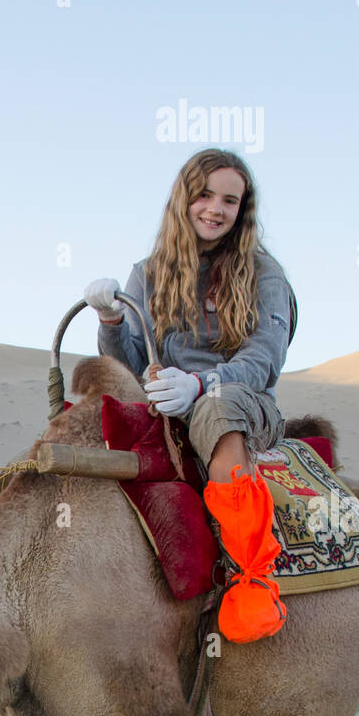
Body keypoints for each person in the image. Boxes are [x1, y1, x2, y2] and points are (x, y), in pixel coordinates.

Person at [85, 148, 295, 642]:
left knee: (215, 413)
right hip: (163, 400)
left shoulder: (266, 275)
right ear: (184, 198)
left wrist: (201, 384)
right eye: (205, 195)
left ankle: (253, 578)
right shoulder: (149, 272)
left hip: (241, 402)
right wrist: (111, 319)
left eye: (229, 200)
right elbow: (129, 363)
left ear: (242, 210)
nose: (215, 209)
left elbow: (264, 359)